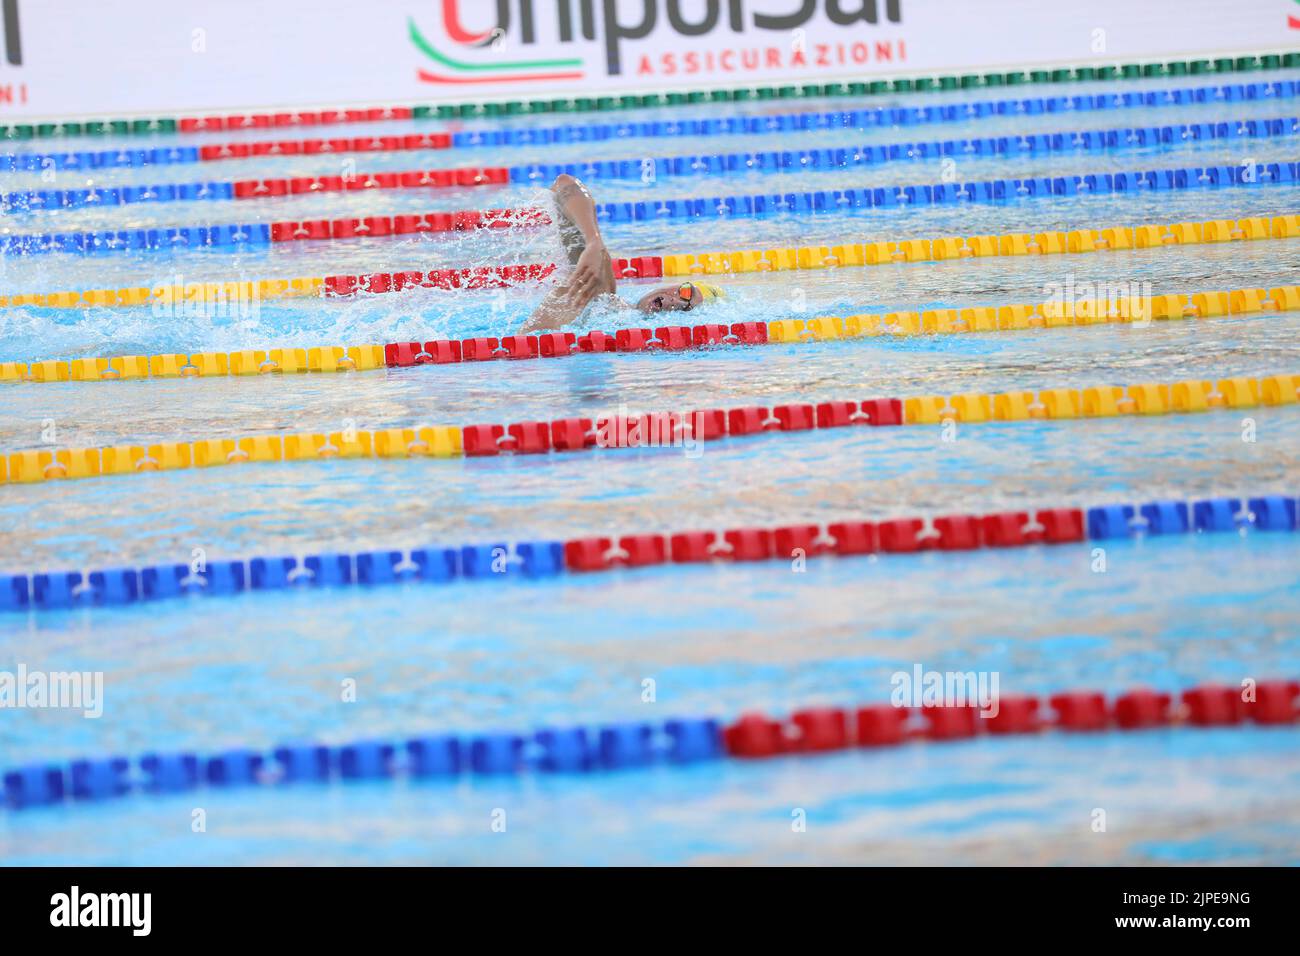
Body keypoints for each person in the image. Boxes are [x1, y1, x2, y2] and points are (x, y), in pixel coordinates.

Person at [520, 174, 724, 333]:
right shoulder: (600, 294)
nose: (676, 302)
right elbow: (564, 184)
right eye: (686, 293)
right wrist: (593, 240)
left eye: (685, 309)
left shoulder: (613, 317)